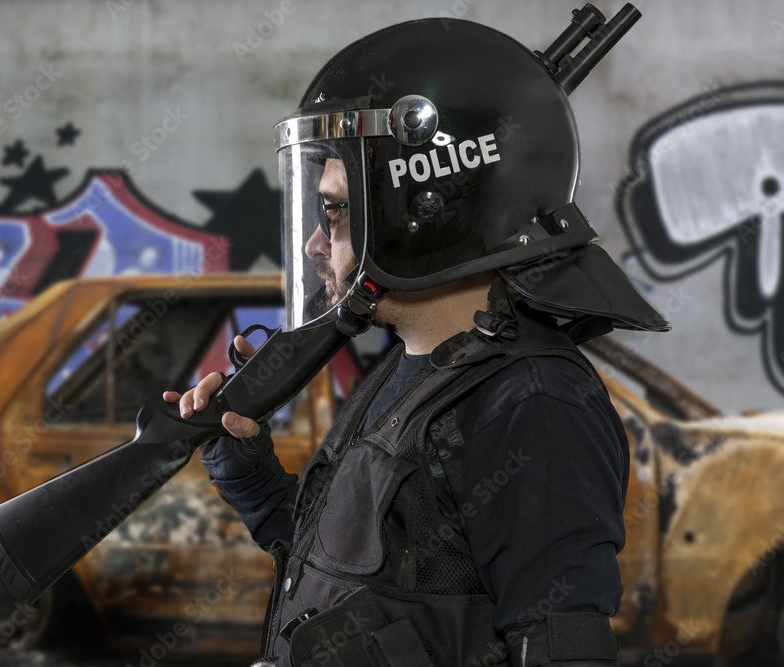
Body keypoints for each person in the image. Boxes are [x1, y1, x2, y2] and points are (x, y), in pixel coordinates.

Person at [164, 12, 668, 667]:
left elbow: (563, 652)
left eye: (338, 211)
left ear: (419, 214)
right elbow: (356, 583)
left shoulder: (534, 403)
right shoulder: (412, 369)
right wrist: (253, 479)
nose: (316, 242)